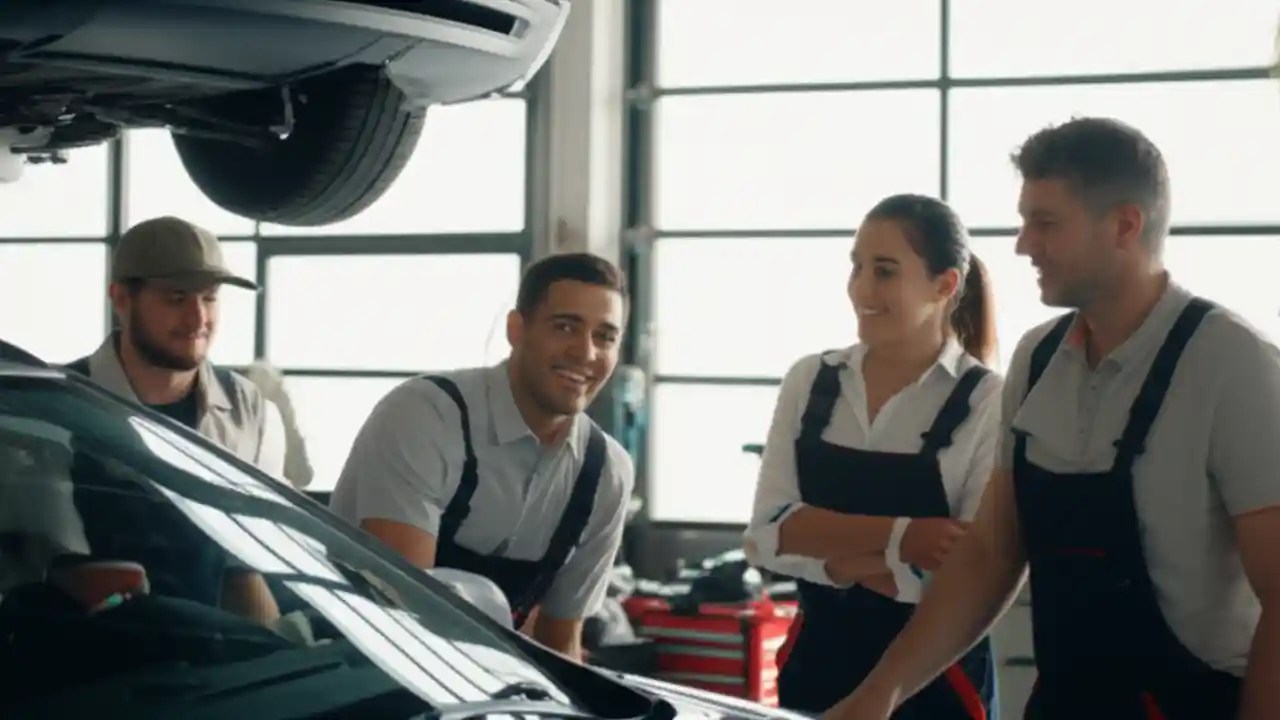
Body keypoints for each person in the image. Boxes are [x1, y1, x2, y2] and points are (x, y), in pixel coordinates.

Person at [823, 118, 1280, 720]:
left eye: (1046, 223)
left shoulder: (1232, 363)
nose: (1021, 245)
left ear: (1124, 226)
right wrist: (881, 694)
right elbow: (991, 554)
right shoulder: (1037, 359)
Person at [743, 193, 1002, 718]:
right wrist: (904, 539)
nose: (862, 288)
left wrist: (826, 549)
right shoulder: (810, 381)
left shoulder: (987, 400)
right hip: (816, 671)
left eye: (884, 271)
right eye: (856, 267)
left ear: (945, 285)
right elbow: (766, 536)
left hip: (936, 685)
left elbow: (967, 572)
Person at [330, 252, 635, 661]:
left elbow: (560, 646)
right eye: (565, 327)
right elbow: (400, 613)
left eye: (605, 337)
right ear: (516, 329)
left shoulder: (606, 474)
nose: (585, 353)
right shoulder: (426, 417)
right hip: (351, 666)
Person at [65, 215, 285, 625]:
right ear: (121, 299)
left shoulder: (247, 408)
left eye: (210, 297)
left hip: (210, 654)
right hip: (88, 654)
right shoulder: (61, 404)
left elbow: (246, 564)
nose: (198, 318)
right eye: (177, 297)